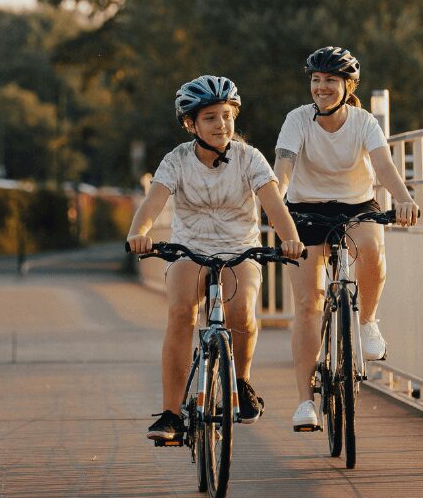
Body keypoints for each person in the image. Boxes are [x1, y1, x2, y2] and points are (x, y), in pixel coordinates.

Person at [126, 76, 304, 442]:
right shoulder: (176, 159)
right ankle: (172, 414)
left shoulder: (248, 158)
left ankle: (241, 382)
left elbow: (274, 205)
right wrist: (138, 233)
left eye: (227, 116)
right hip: (191, 249)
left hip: (240, 248)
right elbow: (153, 203)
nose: (221, 125)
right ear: (191, 124)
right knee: (180, 314)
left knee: (242, 313)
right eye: (210, 118)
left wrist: (291, 241)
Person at [273, 46, 419, 433]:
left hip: (356, 205)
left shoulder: (364, 122)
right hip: (305, 209)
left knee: (371, 246)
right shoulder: (297, 120)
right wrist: (276, 205)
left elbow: (384, 166)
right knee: (308, 304)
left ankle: (367, 321)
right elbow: (283, 167)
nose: (321, 88)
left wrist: (403, 199)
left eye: (330, 81)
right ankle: (306, 402)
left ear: (347, 85)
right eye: (316, 81)